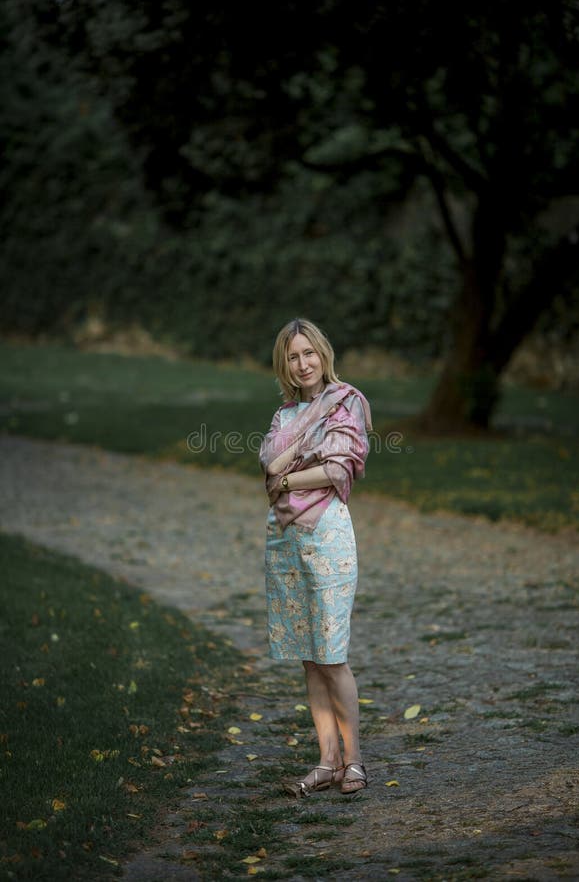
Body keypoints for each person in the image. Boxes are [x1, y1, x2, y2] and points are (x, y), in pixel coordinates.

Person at [259, 318, 372, 797]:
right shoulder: (283, 416)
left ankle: (356, 762)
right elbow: (267, 460)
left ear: (323, 354)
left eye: (309, 353)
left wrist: (285, 476)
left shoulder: (346, 402)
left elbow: (337, 468)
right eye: (292, 356)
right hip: (284, 539)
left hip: (327, 537)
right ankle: (326, 762)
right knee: (309, 658)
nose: (303, 364)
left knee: (332, 656)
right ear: (284, 364)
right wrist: (288, 465)